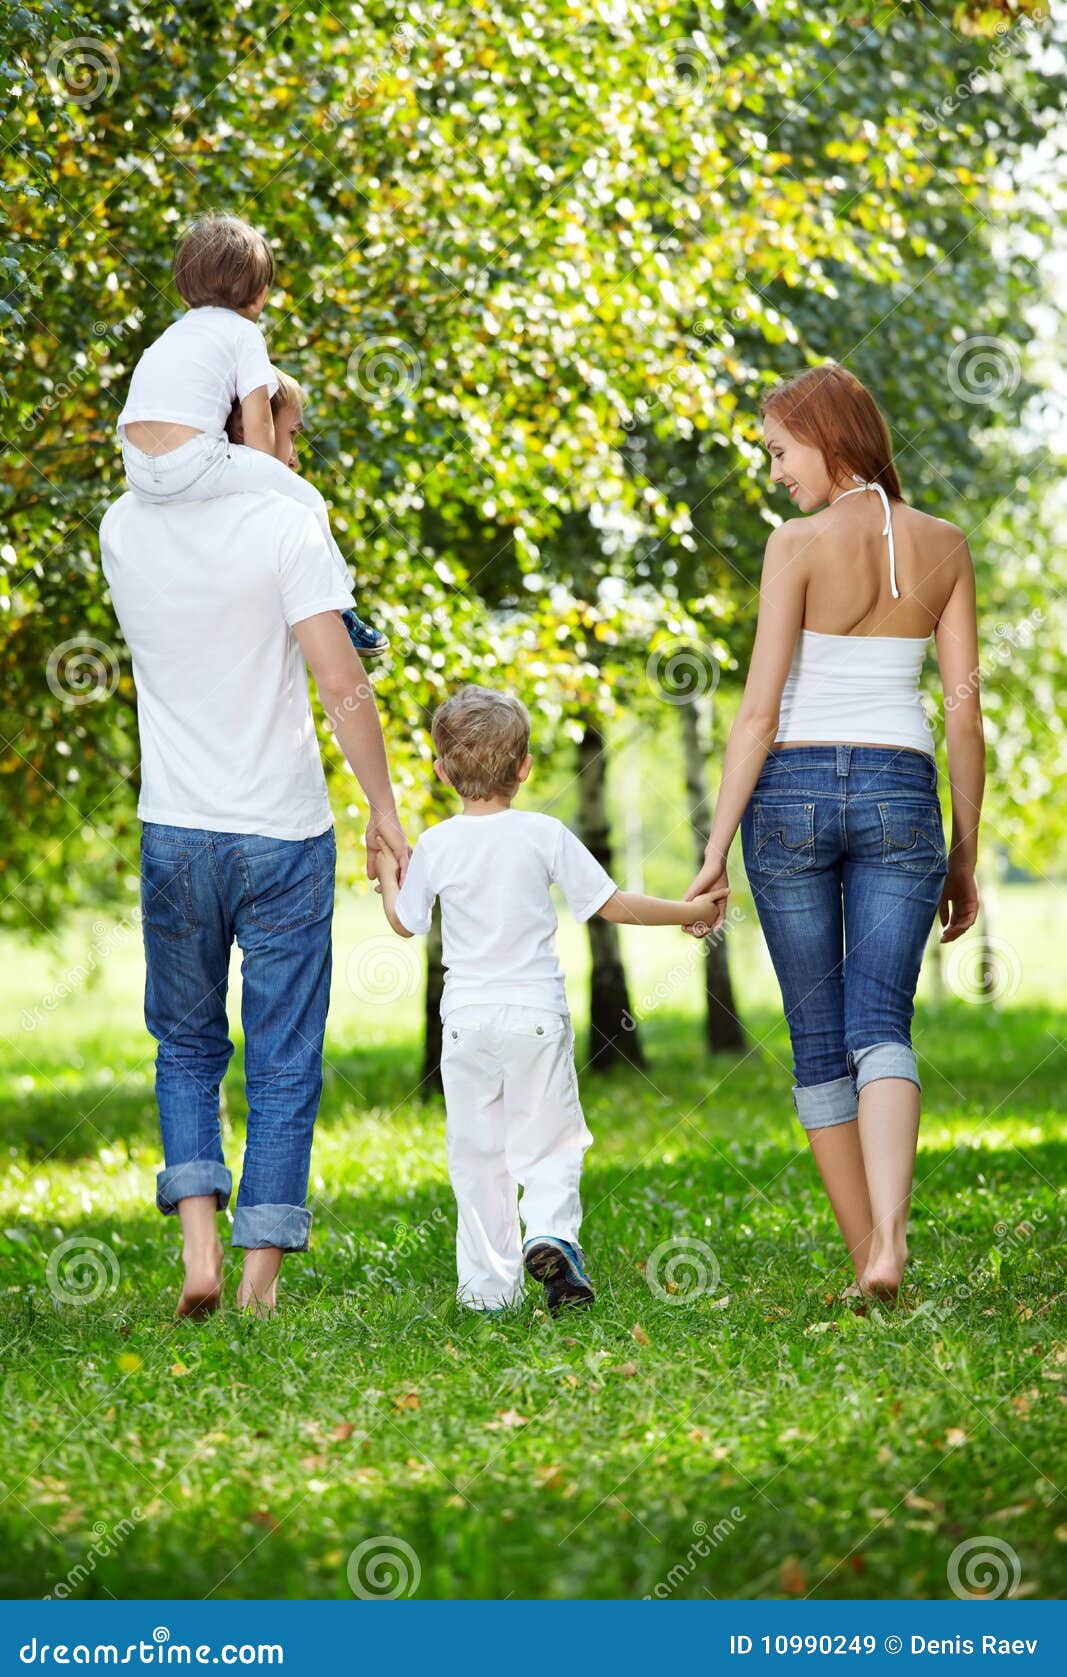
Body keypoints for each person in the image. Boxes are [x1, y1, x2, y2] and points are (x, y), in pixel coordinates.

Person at [684, 365, 984, 1303]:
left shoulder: (794, 545)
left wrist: (713, 849)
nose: (775, 473)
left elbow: (756, 716)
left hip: (793, 795)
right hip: (902, 791)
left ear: (829, 437)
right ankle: (884, 1249)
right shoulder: (945, 545)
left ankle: (870, 1262)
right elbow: (965, 714)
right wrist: (964, 848)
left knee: (818, 1044)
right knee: (879, 1028)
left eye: (780, 450)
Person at [99, 453, 410, 1319]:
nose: (300, 452)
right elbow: (342, 679)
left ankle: (199, 1251)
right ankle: (256, 1289)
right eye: (293, 428)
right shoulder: (288, 527)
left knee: (187, 1047)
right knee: (283, 1064)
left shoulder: (123, 527)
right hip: (282, 834)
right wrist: (383, 810)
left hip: (176, 829)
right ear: (251, 421)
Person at [374, 685, 725, 1315]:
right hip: (535, 1017)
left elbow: (405, 922)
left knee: (478, 1155)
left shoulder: (435, 844)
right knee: (551, 1142)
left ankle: (487, 1294)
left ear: (441, 771)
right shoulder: (542, 833)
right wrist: (689, 911)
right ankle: (550, 1233)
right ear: (525, 766)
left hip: (465, 1025)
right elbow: (610, 904)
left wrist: (384, 872)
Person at [118, 210, 388, 656]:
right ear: (260, 295)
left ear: (186, 288)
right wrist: (270, 483)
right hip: (192, 460)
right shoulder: (244, 334)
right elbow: (259, 418)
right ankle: (341, 608)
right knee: (308, 500)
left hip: (137, 472)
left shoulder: (170, 337)